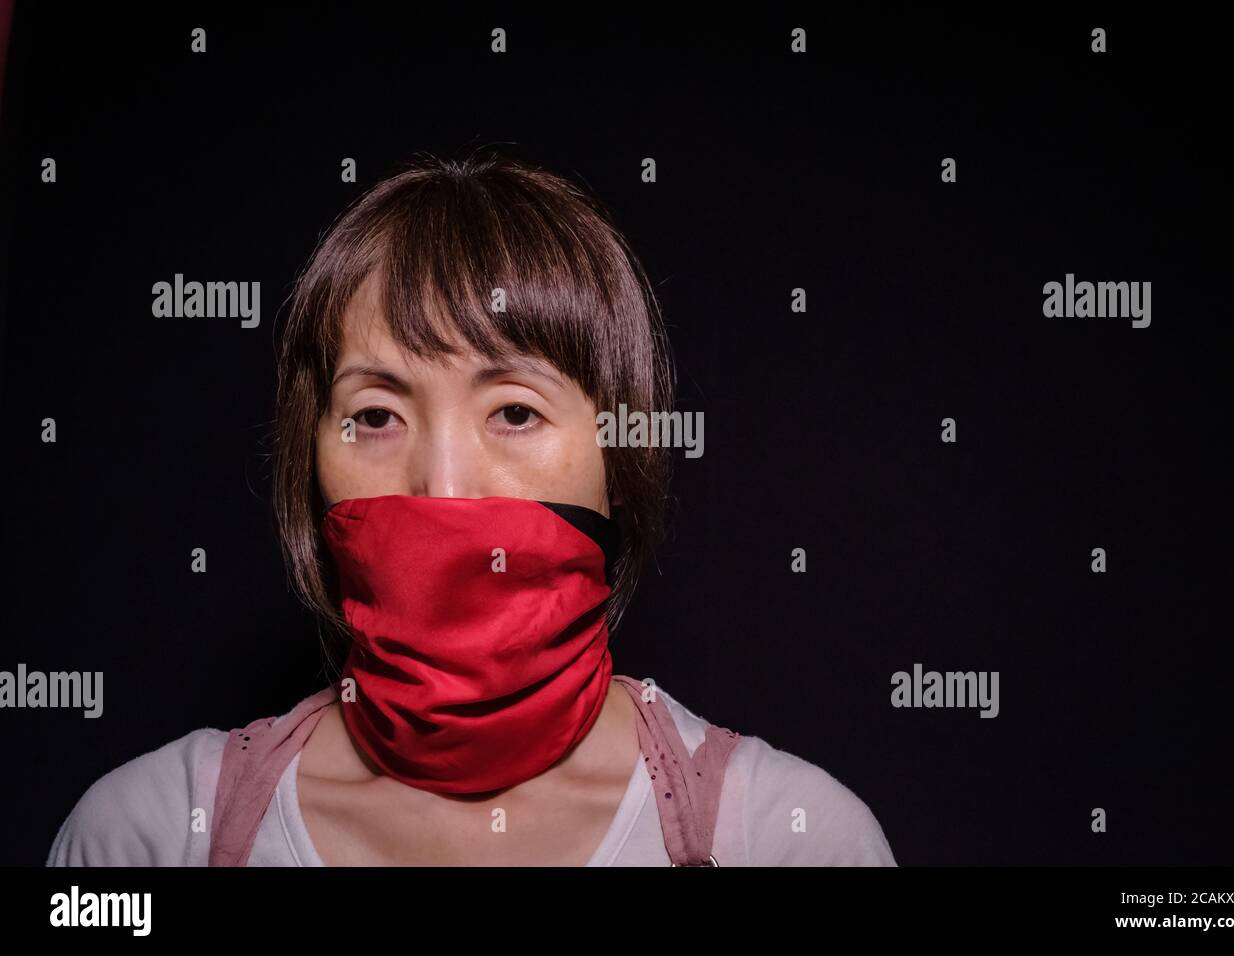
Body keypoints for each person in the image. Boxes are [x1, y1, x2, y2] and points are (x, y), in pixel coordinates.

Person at [46, 151, 897, 866]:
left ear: (620, 454)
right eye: (376, 416)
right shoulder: (143, 838)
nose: (444, 488)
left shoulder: (796, 842)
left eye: (515, 412)